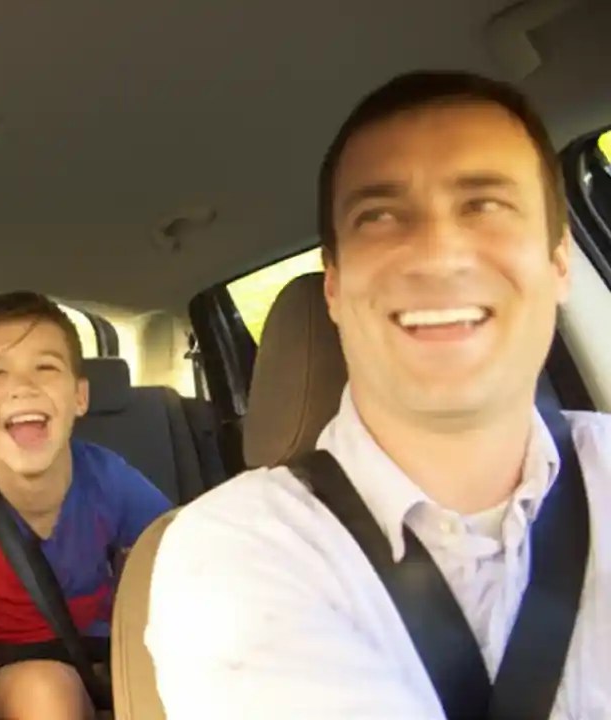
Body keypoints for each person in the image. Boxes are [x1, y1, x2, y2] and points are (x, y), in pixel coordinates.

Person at [146, 71, 611, 717]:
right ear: (333, 287)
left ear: (559, 262)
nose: (439, 254)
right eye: (380, 216)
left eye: (485, 205)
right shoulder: (234, 551)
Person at [0, 291, 172, 720]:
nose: (23, 387)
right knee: (46, 693)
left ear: (79, 396)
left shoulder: (111, 479)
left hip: (100, 655)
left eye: (45, 367)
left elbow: (170, 555)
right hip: (0, 667)